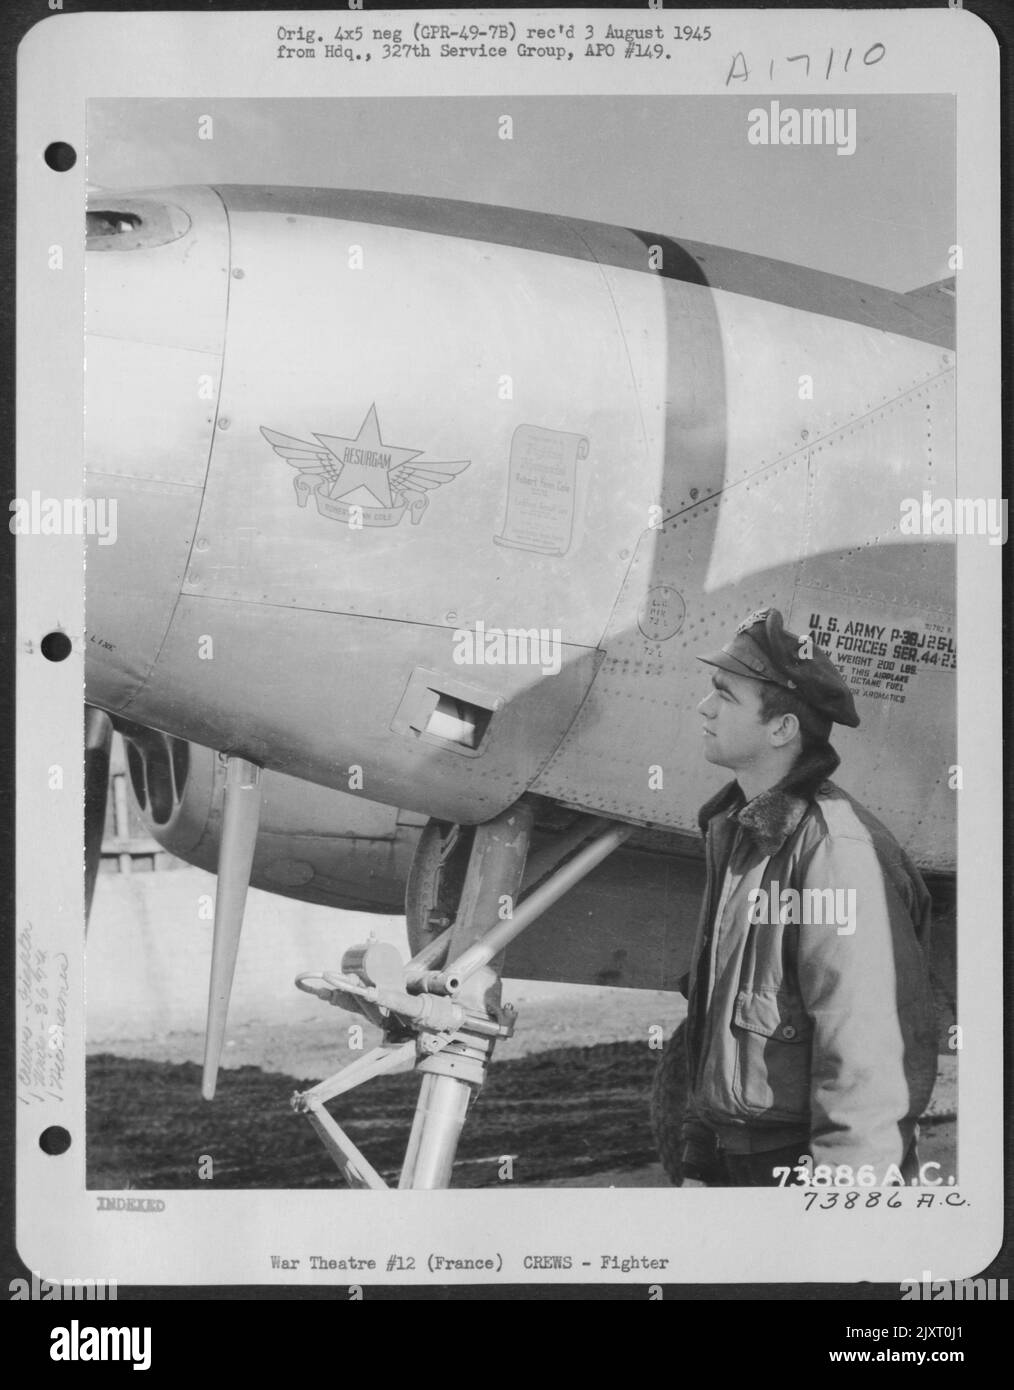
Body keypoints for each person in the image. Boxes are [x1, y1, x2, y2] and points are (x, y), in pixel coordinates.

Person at [679, 607, 938, 1188]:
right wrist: (699, 1156)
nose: (705, 706)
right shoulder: (739, 831)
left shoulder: (835, 849)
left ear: (781, 730)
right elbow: (710, 1017)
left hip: (799, 1170)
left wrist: (844, 1207)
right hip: (735, 1162)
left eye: (725, 694)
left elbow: (866, 1049)